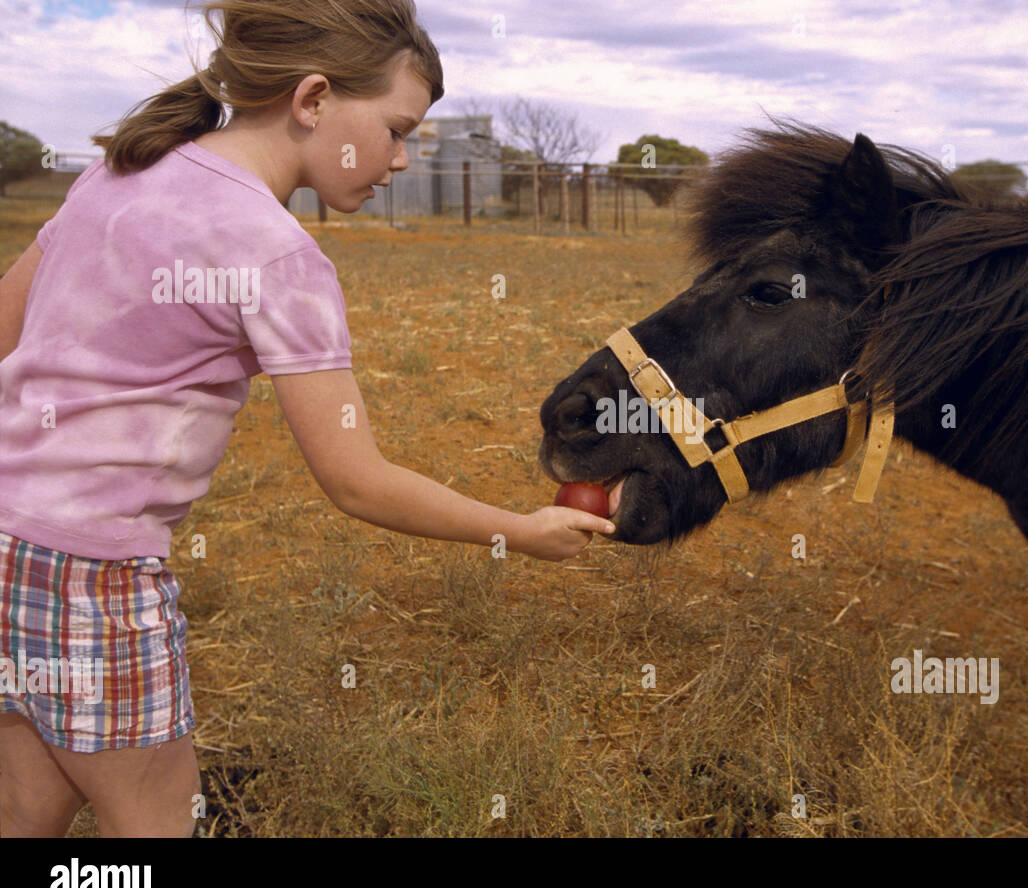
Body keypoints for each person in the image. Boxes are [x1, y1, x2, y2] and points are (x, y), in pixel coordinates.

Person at [0, 0, 614, 838]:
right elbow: (357, 482)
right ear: (313, 98)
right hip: (94, 580)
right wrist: (519, 529)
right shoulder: (278, 254)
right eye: (397, 129)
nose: (399, 159)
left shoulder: (117, 171)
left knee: (28, 810)